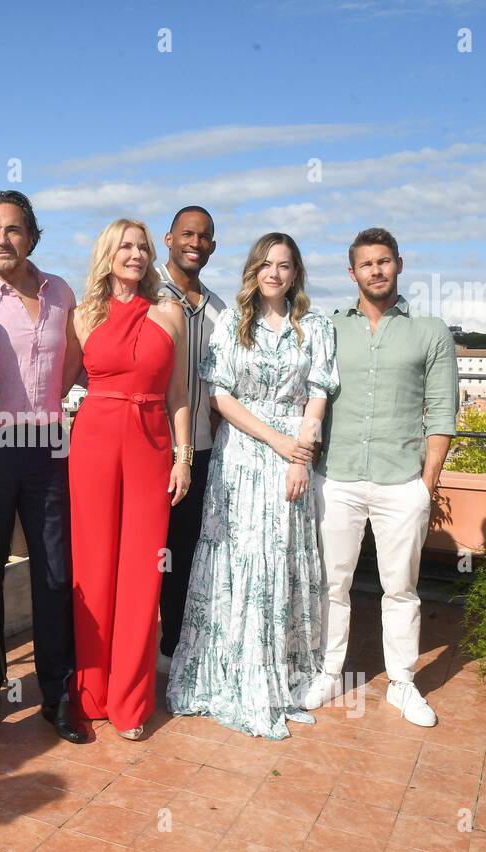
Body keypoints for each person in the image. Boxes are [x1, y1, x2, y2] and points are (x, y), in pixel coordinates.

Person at [166, 232, 336, 739]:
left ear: (295, 273)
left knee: (278, 562)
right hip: (239, 457)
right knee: (238, 561)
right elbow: (219, 395)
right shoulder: (231, 324)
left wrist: (300, 454)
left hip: (292, 461)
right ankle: (227, 673)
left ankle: (277, 677)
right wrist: (276, 441)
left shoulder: (316, 328)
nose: (274, 273)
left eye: (284, 265)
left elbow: (317, 395)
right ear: (253, 270)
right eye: (266, 263)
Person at [301, 227, 458, 727]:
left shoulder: (430, 331)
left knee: (401, 588)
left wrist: (425, 485)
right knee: (332, 583)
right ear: (353, 273)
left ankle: (403, 683)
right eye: (366, 264)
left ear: (399, 265)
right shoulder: (329, 328)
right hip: (338, 477)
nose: (376, 270)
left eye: (384, 261)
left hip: (400, 481)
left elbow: (442, 411)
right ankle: (328, 672)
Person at [0, 190, 87, 743]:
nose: (2, 240)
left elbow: (74, 369)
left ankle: (57, 695)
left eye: (13, 229)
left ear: (33, 235)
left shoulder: (61, 293)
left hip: (51, 449)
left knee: (54, 574)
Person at [63, 219, 190, 740]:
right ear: (108, 254)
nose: (135, 254)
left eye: (141, 247)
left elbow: (180, 392)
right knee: (93, 569)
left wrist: (184, 456)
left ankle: (131, 703)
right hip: (93, 441)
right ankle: (90, 695)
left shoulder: (170, 313)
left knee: (142, 571)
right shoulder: (83, 315)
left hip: (151, 444)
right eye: (125, 247)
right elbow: (68, 375)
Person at [155, 206, 227, 675]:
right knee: (146, 552)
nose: (195, 243)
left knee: (183, 550)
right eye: (187, 234)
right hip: (149, 447)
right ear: (168, 238)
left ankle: (171, 646)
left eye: (204, 237)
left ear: (212, 246)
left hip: (200, 449)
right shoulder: (146, 294)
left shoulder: (220, 308)